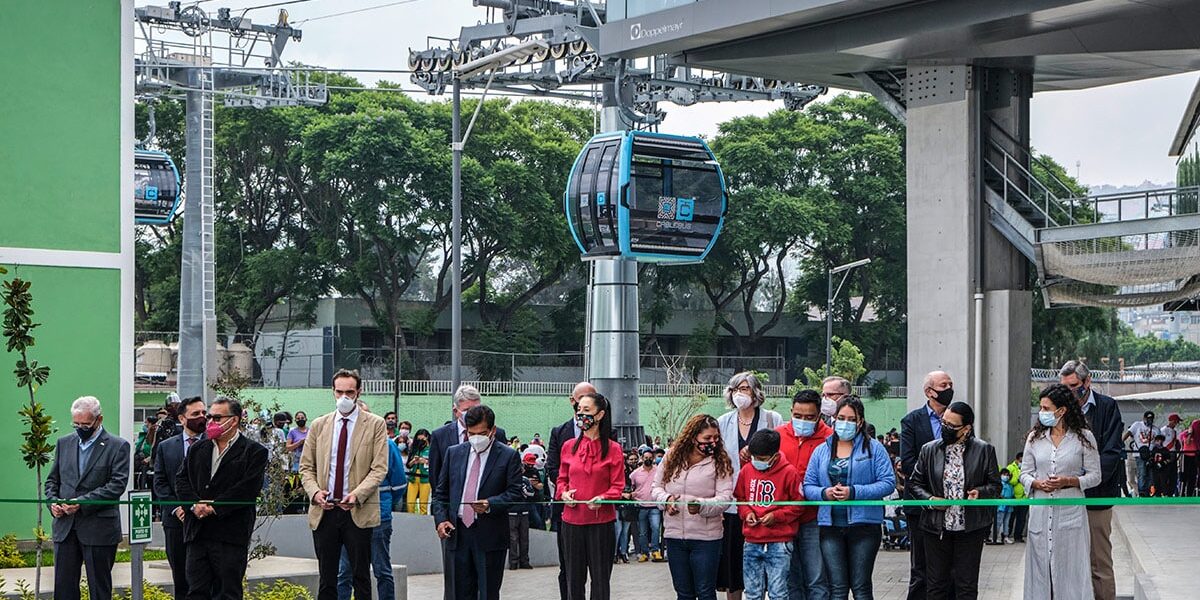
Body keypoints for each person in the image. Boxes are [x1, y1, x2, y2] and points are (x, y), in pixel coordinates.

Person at [298, 369, 390, 600]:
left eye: (349, 392)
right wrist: (315, 492)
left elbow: (379, 468)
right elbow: (306, 467)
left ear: (359, 392)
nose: (344, 398)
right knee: (327, 578)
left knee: (361, 578)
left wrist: (357, 495)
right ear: (333, 392)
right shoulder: (319, 425)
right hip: (324, 511)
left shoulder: (375, 424)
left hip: (357, 510)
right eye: (339, 392)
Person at [175, 396, 268, 599]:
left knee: (228, 592)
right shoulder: (197, 448)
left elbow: (248, 488)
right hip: (198, 533)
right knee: (196, 591)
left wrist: (214, 507)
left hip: (230, 535)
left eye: (217, 418)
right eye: (209, 417)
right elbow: (181, 481)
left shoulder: (254, 452)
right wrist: (193, 505)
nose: (210, 422)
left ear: (233, 420)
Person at [804, 396, 896, 600]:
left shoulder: (874, 449)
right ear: (834, 418)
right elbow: (808, 486)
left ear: (860, 421)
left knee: (861, 586)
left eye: (851, 419)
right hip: (830, 527)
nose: (845, 423)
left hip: (864, 527)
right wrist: (824, 493)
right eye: (841, 417)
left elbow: (888, 482)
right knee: (837, 588)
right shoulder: (821, 450)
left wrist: (854, 492)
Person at [907, 401, 1000, 600]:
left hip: (970, 528)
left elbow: (995, 485)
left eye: (952, 425)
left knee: (966, 585)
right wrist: (931, 499)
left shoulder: (984, 450)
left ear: (966, 429)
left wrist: (979, 493)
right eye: (944, 422)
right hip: (936, 527)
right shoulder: (929, 450)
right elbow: (915, 483)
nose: (945, 428)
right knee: (936, 585)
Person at [432, 405, 524, 600]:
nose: (476, 438)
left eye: (481, 433)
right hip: (457, 534)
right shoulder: (453, 453)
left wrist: (491, 503)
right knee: (458, 592)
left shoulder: (508, 455)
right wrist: (441, 520)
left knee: (488, 592)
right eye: (471, 433)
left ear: (492, 430)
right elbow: (440, 493)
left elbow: (515, 493)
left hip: (489, 535)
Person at [1020, 383, 1102, 600]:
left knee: (1072, 571)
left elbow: (1095, 476)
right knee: (1039, 571)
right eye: (1041, 408)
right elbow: (1024, 473)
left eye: (1046, 408)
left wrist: (1070, 480)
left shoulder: (1083, 437)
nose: (1042, 413)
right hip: (1040, 511)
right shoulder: (1034, 438)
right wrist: (1037, 484)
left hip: (1070, 512)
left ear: (1062, 410)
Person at [45, 396, 131, 600]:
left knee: (99, 588)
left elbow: (116, 485)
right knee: (64, 589)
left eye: (85, 424)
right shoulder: (64, 443)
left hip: (98, 529)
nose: (80, 428)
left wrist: (81, 504)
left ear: (98, 420)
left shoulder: (118, 446)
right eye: (76, 424)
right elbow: (52, 481)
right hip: (65, 528)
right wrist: (53, 503)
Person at [716, 371, 783, 600]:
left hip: (764, 503)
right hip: (734, 503)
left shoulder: (772, 419)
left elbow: (780, 457)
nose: (739, 394)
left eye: (744, 389)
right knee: (733, 565)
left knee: (765, 564)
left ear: (755, 392)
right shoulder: (723, 422)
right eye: (735, 389)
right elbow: (719, 464)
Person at [1059, 360, 1123, 600]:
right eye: (1064, 388)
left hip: (1096, 498)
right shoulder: (1058, 410)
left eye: (1074, 386)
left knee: (1099, 562)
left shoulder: (1107, 408)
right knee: (1067, 563)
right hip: (1064, 499)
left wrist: (1084, 481)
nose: (1069, 393)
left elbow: (1112, 452)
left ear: (1088, 381)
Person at [652, 414, 734, 600]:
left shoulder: (720, 461)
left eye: (715, 438)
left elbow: (725, 497)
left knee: (705, 592)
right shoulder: (671, 457)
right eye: (707, 438)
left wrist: (701, 505)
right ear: (692, 436)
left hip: (706, 539)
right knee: (683, 592)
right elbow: (656, 488)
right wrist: (667, 500)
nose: (712, 442)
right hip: (674, 536)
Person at [556, 392, 625, 600]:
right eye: (579, 410)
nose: (581, 415)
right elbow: (561, 480)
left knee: (601, 580)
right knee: (573, 580)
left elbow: (618, 487)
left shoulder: (614, 450)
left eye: (587, 411)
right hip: (572, 521)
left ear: (600, 414)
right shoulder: (568, 446)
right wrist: (564, 493)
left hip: (601, 523)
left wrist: (603, 497)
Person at [335, 401, 407, 600]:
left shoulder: (387, 444)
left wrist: (383, 502)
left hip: (378, 517)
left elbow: (399, 483)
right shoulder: (340, 441)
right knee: (345, 571)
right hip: (347, 516)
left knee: (381, 569)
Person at [899, 370, 954, 600]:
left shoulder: (957, 417)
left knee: (950, 568)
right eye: (944, 385)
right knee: (921, 568)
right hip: (921, 505)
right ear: (929, 392)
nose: (949, 389)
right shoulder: (912, 420)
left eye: (951, 384)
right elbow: (908, 461)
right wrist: (933, 490)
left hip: (952, 505)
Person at [775, 389, 833, 600]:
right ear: (791, 411)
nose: (803, 421)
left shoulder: (830, 439)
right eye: (798, 416)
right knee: (790, 579)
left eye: (809, 417)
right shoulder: (778, 435)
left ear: (819, 415)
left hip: (814, 518)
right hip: (784, 518)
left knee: (817, 578)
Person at [734, 429, 801, 600]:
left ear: (774, 455)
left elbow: (798, 505)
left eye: (763, 459)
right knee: (752, 592)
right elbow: (740, 499)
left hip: (779, 542)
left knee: (778, 592)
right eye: (755, 457)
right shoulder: (747, 470)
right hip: (752, 540)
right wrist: (747, 513)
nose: (757, 462)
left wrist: (777, 516)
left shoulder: (789, 472)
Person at [152, 396, 207, 599]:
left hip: (205, 520)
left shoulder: (214, 444)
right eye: (195, 414)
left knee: (204, 579)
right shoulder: (166, 447)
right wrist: (177, 508)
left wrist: (195, 506)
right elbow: (160, 483)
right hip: (176, 522)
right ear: (182, 419)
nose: (201, 417)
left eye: (204, 413)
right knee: (181, 578)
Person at [547, 381, 597, 600]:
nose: (584, 406)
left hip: (597, 514)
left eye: (590, 401)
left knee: (598, 571)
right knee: (568, 568)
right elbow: (553, 468)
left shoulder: (608, 434)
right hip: (567, 511)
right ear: (572, 402)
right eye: (580, 401)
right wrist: (566, 491)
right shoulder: (560, 433)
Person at [631, 448, 664, 562]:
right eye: (646, 458)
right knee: (642, 532)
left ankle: (655, 550)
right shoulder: (635, 474)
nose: (648, 460)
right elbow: (631, 486)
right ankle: (644, 552)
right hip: (641, 506)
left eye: (650, 458)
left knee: (655, 529)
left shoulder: (658, 471)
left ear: (653, 458)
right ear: (642, 458)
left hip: (654, 505)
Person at [509, 452, 540, 569]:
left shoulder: (525, 480)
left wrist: (523, 487)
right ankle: (513, 562)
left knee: (524, 538)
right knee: (513, 539)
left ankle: (524, 561)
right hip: (511, 512)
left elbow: (531, 493)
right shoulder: (509, 480)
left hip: (524, 512)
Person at [1123, 410, 1159, 497]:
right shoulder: (1137, 425)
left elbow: (1159, 442)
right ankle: (1142, 491)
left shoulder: (1156, 429)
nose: (1149, 420)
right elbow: (1127, 433)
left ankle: (1149, 490)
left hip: (1151, 454)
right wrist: (1120, 443)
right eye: (1147, 418)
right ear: (1144, 418)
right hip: (1140, 454)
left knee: (1150, 474)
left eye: (1151, 419)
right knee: (1142, 473)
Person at [1003, 452, 1028, 542]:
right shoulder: (1010, 468)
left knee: (1021, 519)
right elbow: (1007, 480)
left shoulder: (1026, 468)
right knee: (1010, 518)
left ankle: (1018, 536)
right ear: (1017, 459)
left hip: (1024, 498)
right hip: (1013, 498)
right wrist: (1018, 479)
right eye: (1021, 461)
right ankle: (1007, 535)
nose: (1022, 463)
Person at [406, 429, 433, 514]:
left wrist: (425, 461)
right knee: (410, 504)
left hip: (425, 479)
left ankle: (423, 523)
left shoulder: (432, 449)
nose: (420, 442)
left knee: (423, 504)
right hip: (413, 478)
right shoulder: (414, 449)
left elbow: (436, 464)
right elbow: (408, 465)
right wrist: (413, 461)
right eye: (418, 440)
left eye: (423, 440)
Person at [991, 470, 1015, 545]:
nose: (1006, 476)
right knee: (998, 522)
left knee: (1006, 522)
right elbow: (998, 495)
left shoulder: (1009, 485)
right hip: (1001, 506)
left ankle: (1005, 536)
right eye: (1004, 474)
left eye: (1007, 475)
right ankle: (995, 537)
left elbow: (1012, 494)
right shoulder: (999, 484)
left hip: (1008, 506)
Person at [1183, 418, 1200, 496]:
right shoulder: (1186, 434)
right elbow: (1187, 442)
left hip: (1196, 455)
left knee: (1195, 475)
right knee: (1188, 476)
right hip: (1188, 456)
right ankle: (1186, 493)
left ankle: (1195, 491)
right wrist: (1190, 433)